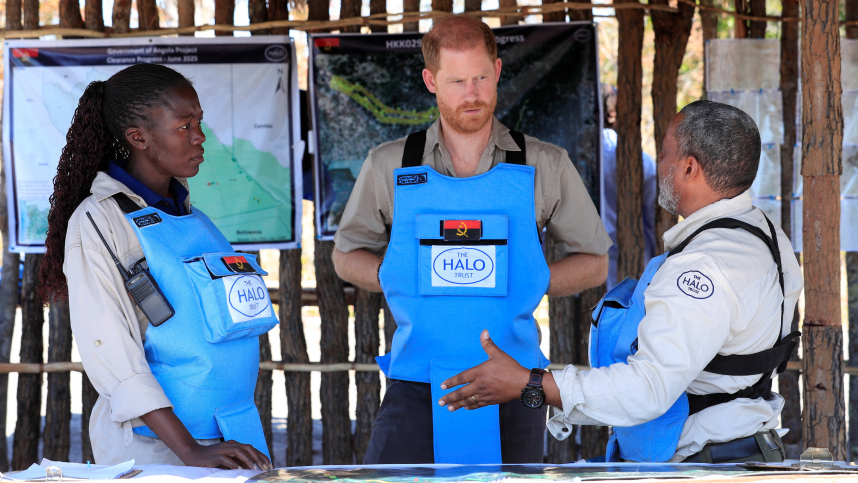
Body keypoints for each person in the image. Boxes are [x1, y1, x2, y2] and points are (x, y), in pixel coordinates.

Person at [436, 100, 803, 464]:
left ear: (690, 167)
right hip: (745, 449)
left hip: (703, 463)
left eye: (664, 154)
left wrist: (531, 384)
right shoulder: (768, 237)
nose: (658, 165)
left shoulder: (702, 267)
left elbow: (647, 389)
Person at [332, 16, 611, 464]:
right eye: (457, 81)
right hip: (415, 381)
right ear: (430, 81)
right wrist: (395, 273)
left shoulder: (544, 163)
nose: (472, 93)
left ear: (498, 71)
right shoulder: (390, 165)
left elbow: (594, 261)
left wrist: (529, 279)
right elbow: (346, 254)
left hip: (513, 381)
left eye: (481, 77)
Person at [38, 64, 276, 469]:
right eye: (185, 126)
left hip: (230, 435)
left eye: (199, 121)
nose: (200, 136)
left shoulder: (195, 218)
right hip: (158, 450)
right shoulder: (100, 220)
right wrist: (189, 451)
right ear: (139, 137)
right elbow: (111, 352)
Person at [600, 84, 657, 290]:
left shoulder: (571, 157)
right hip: (635, 269)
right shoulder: (643, 162)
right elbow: (654, 221)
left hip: (585, 271)